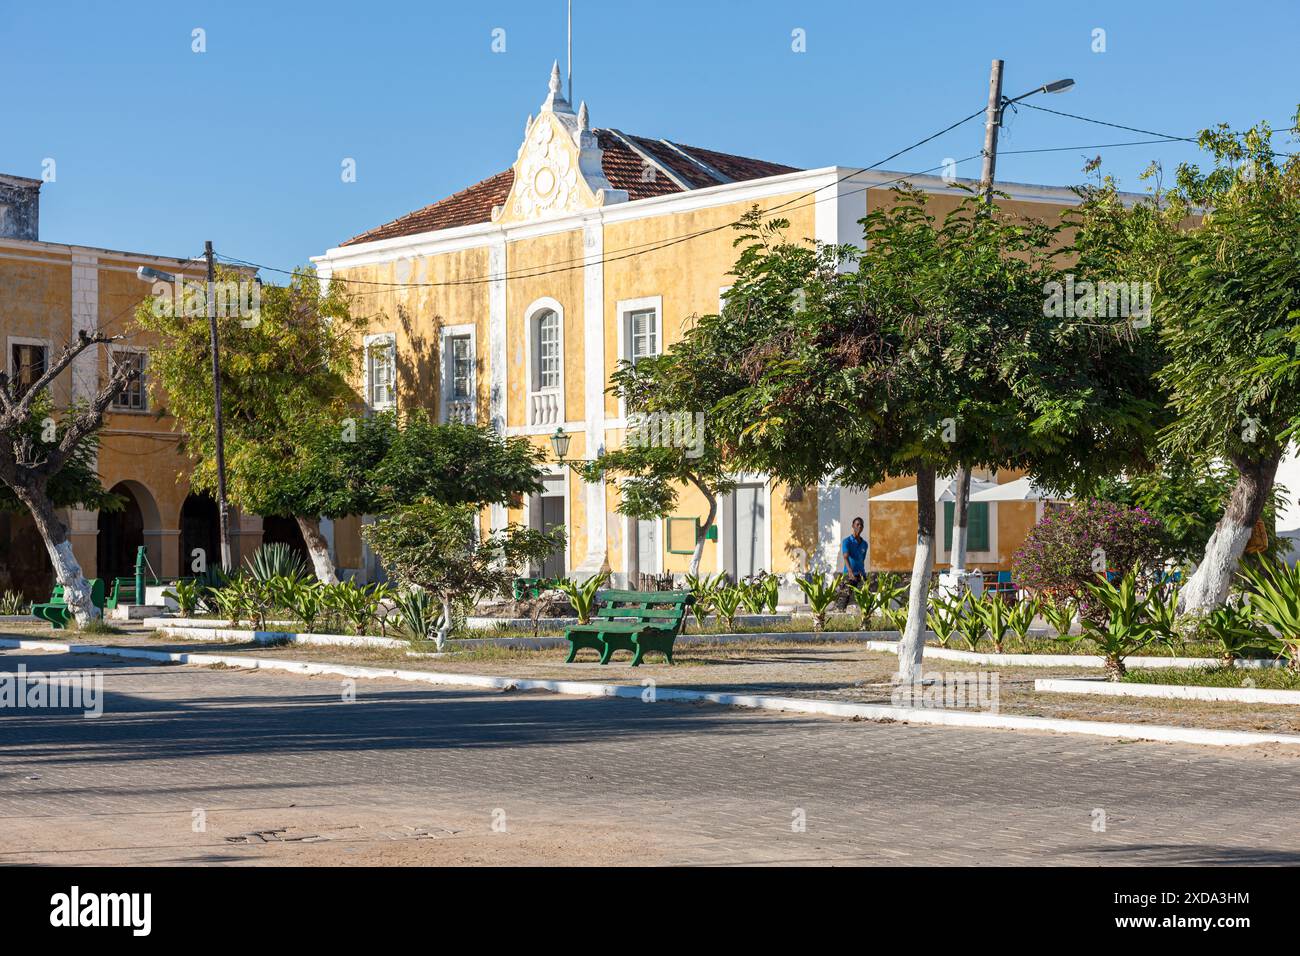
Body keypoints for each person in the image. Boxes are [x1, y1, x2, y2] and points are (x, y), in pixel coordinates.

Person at [836, 517, 868, 609]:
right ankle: (840, 616)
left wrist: (862, 572)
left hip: (861, 574)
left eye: (861, 525)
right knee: (844, 597)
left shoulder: (865, 544)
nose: (859, 526)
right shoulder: (847, 541)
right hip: (849, 574)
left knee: (865, 598)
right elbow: (845, 556)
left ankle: (864, 618)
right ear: (853, 526)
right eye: (857, 524)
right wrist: (850, 571)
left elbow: (862, 559)